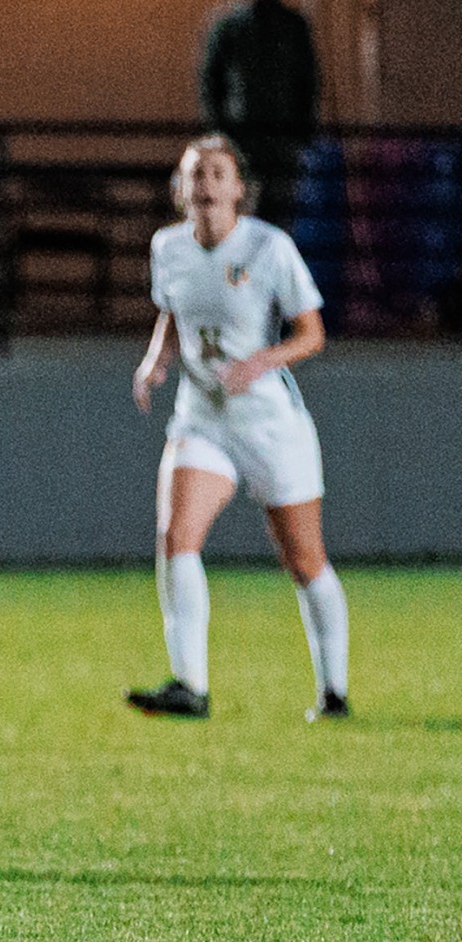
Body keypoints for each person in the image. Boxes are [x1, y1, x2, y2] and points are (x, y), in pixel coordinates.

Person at [127, 134, 347, 722]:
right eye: (195, 173)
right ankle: (190, 686)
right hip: (202, 416)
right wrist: (155, 361)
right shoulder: (168, 246)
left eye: (217, 173)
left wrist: (261, 362)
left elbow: (312, 334)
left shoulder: (268, 247)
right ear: (181, 188)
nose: (205, 183)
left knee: (304, 559)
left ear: (238, 189)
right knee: (177, 536)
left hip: (269, 422)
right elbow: (172, 312)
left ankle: (334, 691)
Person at [200, 0, 320, 231]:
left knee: (276, 214)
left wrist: (302, 134)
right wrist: (221, 135)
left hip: (277, 139)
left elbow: (307, 83)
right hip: (244, 139)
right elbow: (210, 84)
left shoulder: (292, 26)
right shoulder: (228, 26)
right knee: (244, 213)